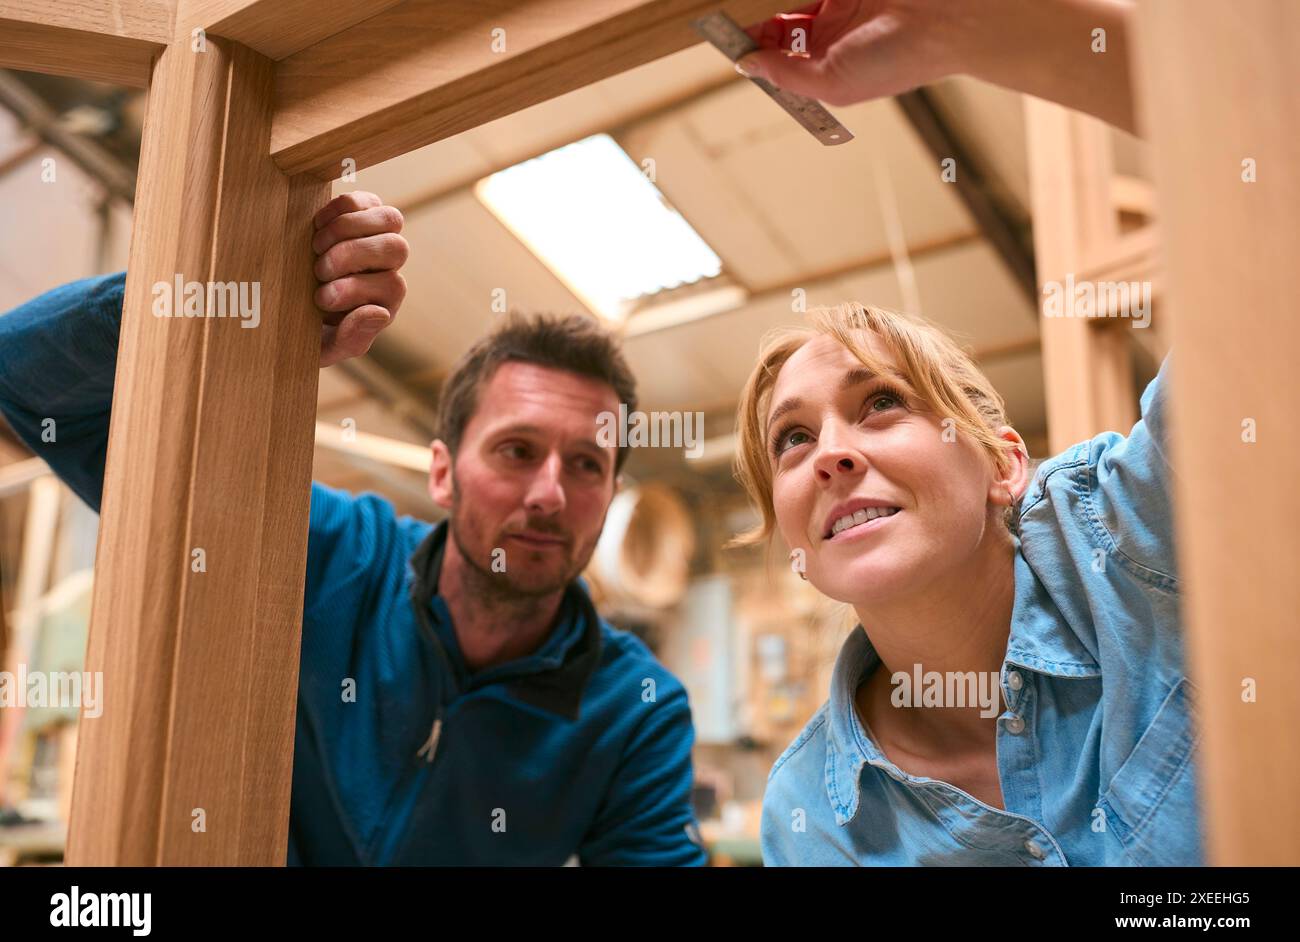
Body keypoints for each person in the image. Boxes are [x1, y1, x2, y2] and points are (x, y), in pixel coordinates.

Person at [0, 192, 706, 866]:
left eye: (586, 464)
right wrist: (238, 294)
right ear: (442, 473)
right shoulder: (319, 552)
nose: (551, 493)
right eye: (517, 451)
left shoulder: (633, 710)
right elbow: (20, 377)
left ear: (611, 492)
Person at [735, 0, 1200, 864]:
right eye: (791, 441)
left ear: (1002, 463)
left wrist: (967, 27)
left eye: (880, 403)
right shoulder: (810, 816)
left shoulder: (1137, 528)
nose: (832, 452)